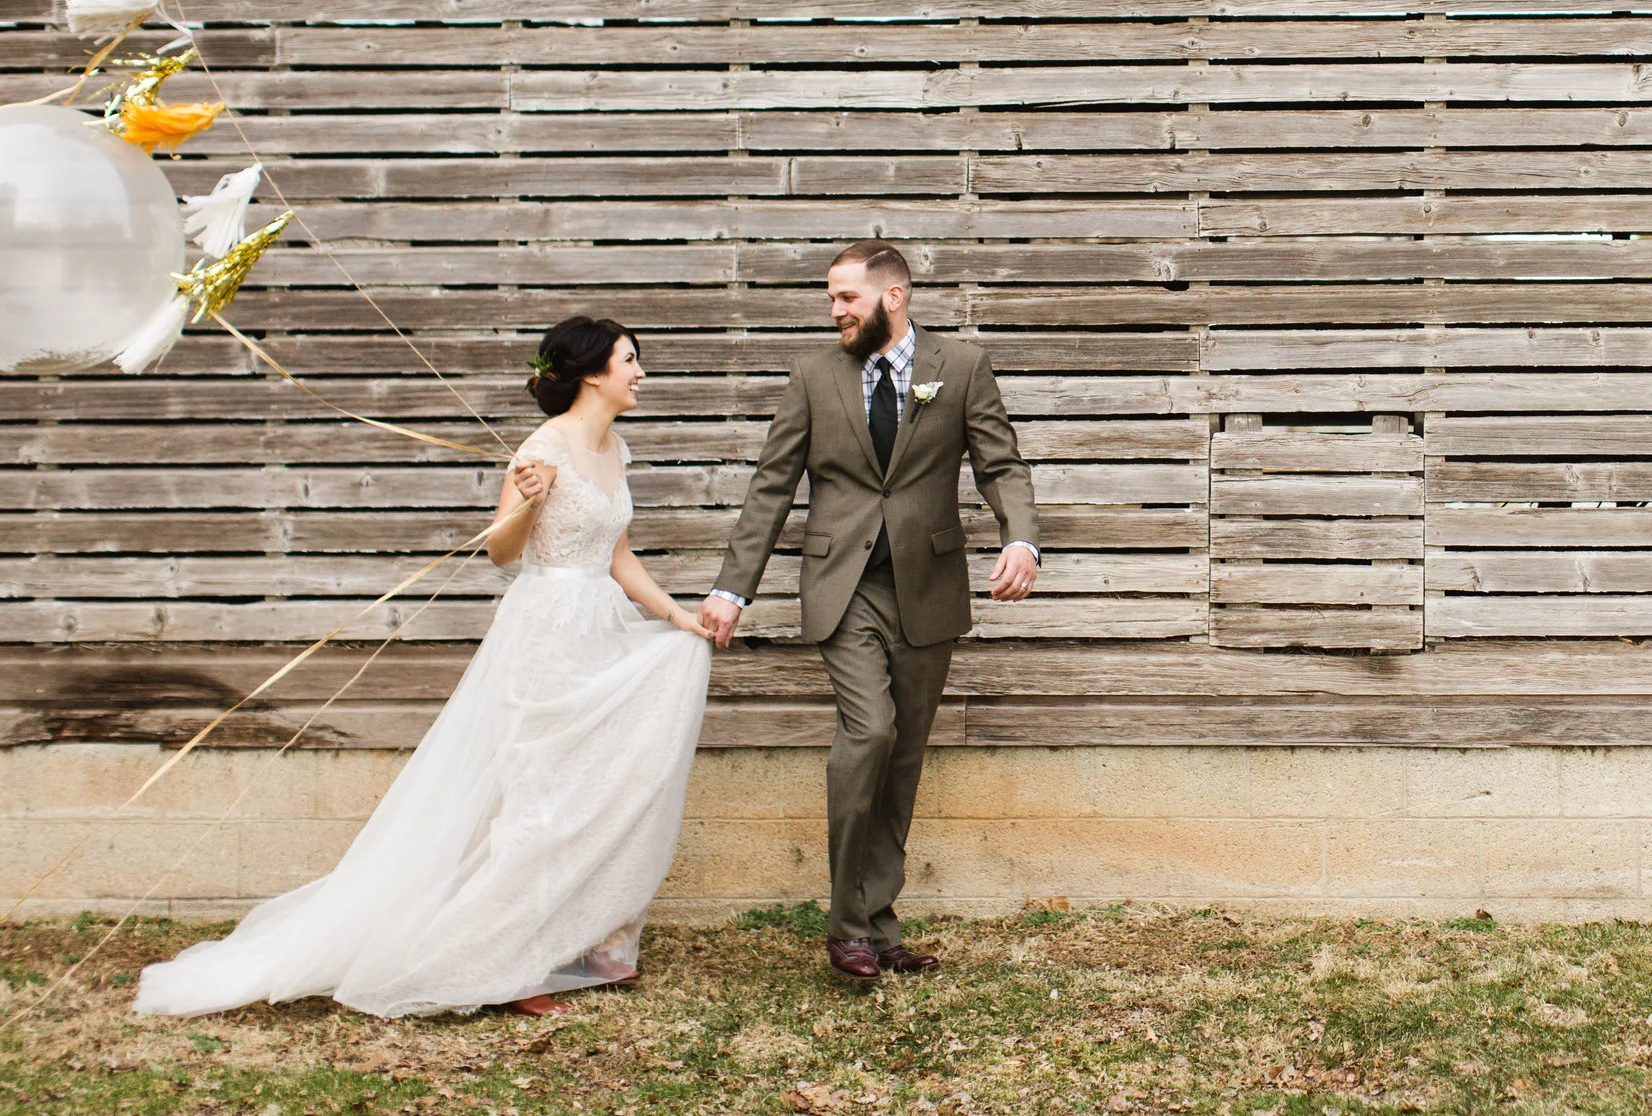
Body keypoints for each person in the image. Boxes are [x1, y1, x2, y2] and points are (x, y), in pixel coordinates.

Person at [135, 317, 714, 1018]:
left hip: (601, 625)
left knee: (591, 784)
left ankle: (586, 935)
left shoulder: (616, 448)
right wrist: (531, 498)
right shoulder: (542, 447)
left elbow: (617, 555)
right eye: (630, 359)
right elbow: (500, 552)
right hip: (547, 632)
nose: (641, 372)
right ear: (593, 372)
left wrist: (677, 616)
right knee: (538, 797)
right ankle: (508, 962)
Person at [698, 240, 1039, 982]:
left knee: (903, 756)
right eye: (831, 298)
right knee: (870, 731)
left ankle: (880, 925)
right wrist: (733, 588)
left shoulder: (962, 366)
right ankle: (847, 926)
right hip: (843, 587)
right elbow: (771, 484)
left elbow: (1001, 463)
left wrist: (1021, 538)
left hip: (927, 588)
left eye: (845, 297)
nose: (835, 311)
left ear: (893, 296)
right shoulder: (813, 375)